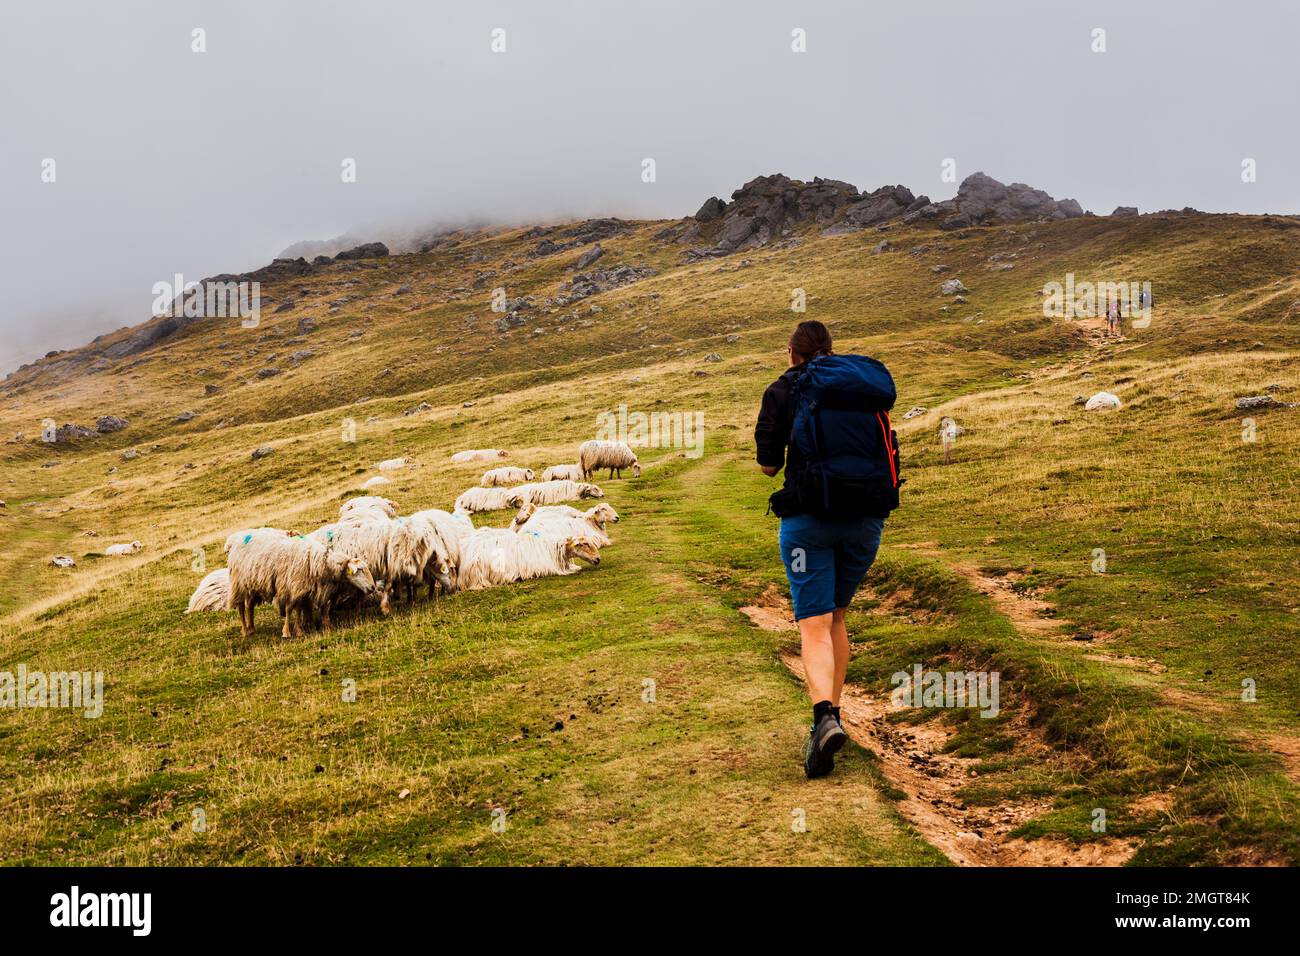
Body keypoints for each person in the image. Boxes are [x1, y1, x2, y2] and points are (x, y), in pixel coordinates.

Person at [754, 320, 896, 778]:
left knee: (813, 625)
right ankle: (834, 715)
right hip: (866, 521)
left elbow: (768, 467)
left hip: (808, 522)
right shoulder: (860, 388)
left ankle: (823, 719)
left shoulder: (783, 389)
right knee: (836, 615)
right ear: (831, 351)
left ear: (790, 351)